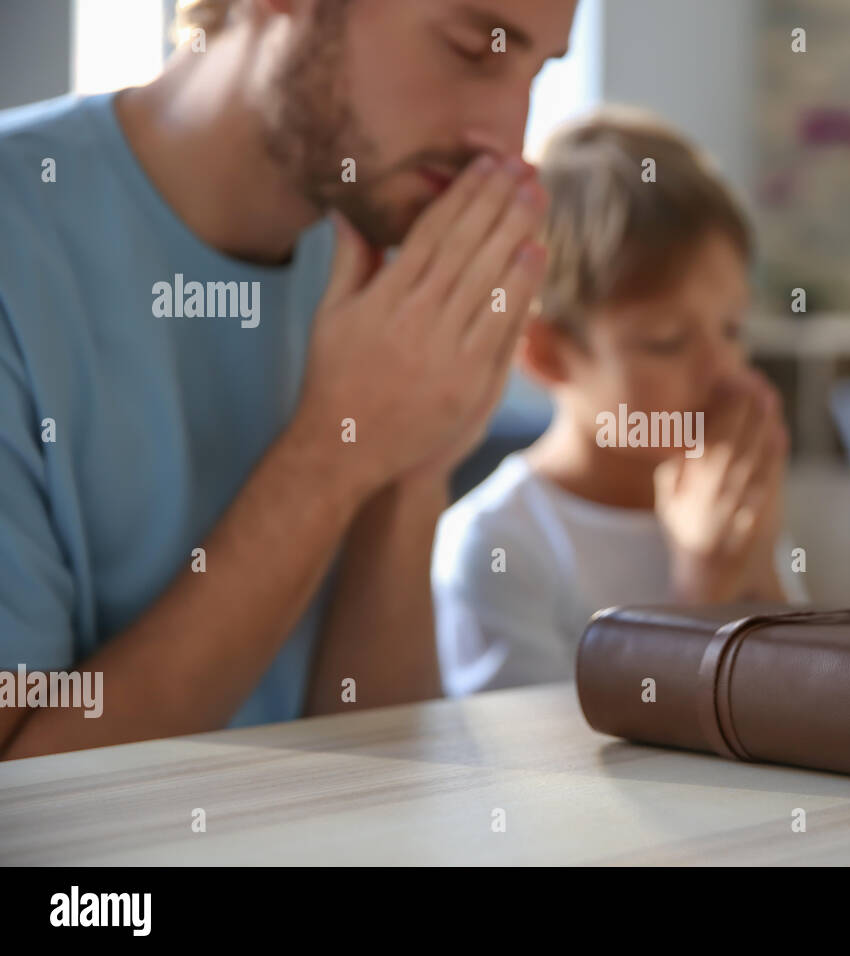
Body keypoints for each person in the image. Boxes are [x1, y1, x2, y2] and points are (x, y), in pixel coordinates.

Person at [0, 0, 578, 759]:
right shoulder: (23, 236)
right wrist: (334, 455)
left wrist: (413, 469)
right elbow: (24, 795)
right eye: (473, 50)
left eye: (535, 71)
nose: (503, 138)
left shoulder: (396, 254)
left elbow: (378, 769)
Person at [433, 109, 806, 697]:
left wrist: (755, 566)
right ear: (549, 354)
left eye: (733, 329)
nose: (723, 371)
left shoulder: (723, 505)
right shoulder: (500, 545)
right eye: (666, 342)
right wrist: (701, 586)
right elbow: (546, 782)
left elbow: (798, 705)